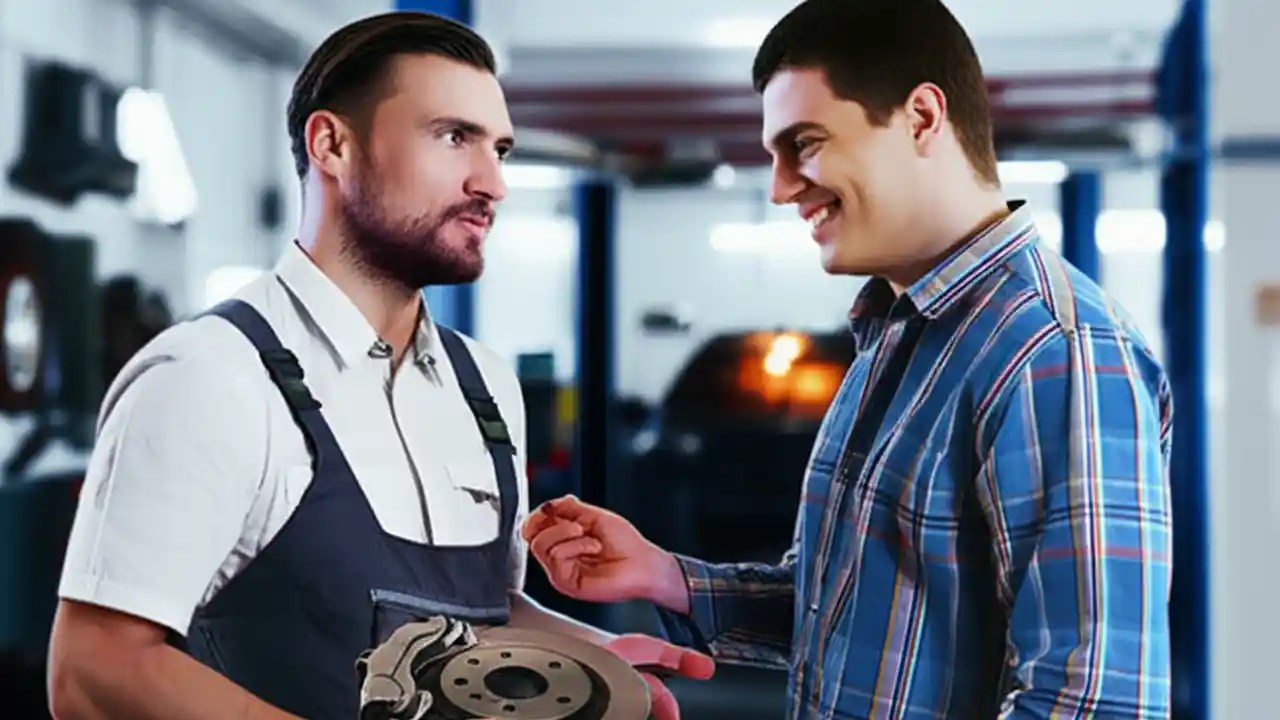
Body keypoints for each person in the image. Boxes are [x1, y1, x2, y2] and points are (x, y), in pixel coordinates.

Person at [46, 12, 711, 720]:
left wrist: (588, 655)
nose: (493, 182)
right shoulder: (210, 376)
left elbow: (474, 618)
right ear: (331, 144)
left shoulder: (485, 386)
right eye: (454, 137)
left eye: (500, 150)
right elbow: (93, 671)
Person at [523, 1, 1174, 718]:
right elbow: (849, 612)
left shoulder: (1052, 351)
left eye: (803, 144)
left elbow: (1093, 700)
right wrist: (667, 578)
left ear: (921, 118)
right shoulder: (898, 334)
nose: (780, 188)